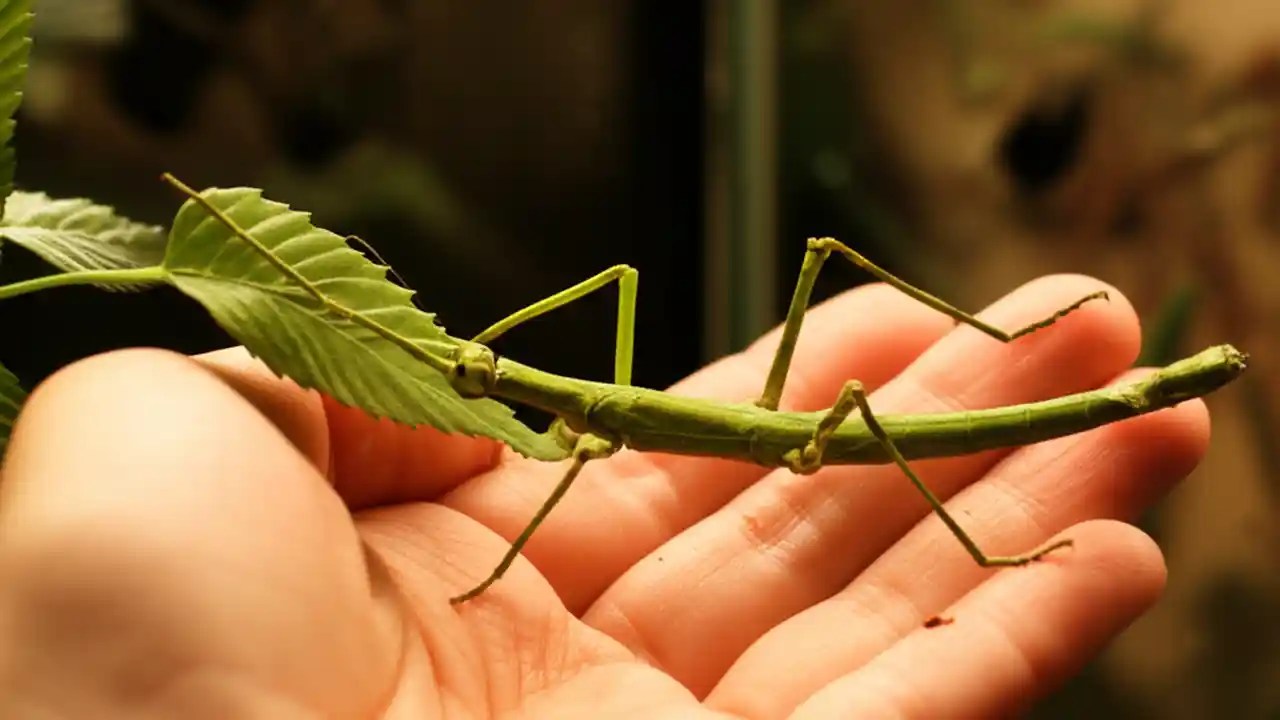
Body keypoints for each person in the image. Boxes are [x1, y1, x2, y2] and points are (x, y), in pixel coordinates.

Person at [0, 276, 1208, 718]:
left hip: (811, 437)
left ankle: (1033, 422)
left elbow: (540, 459)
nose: (473, 379)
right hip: (780, 443)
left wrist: (481, 569)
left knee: (847, 368)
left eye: (479, 367)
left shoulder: (586, 438)